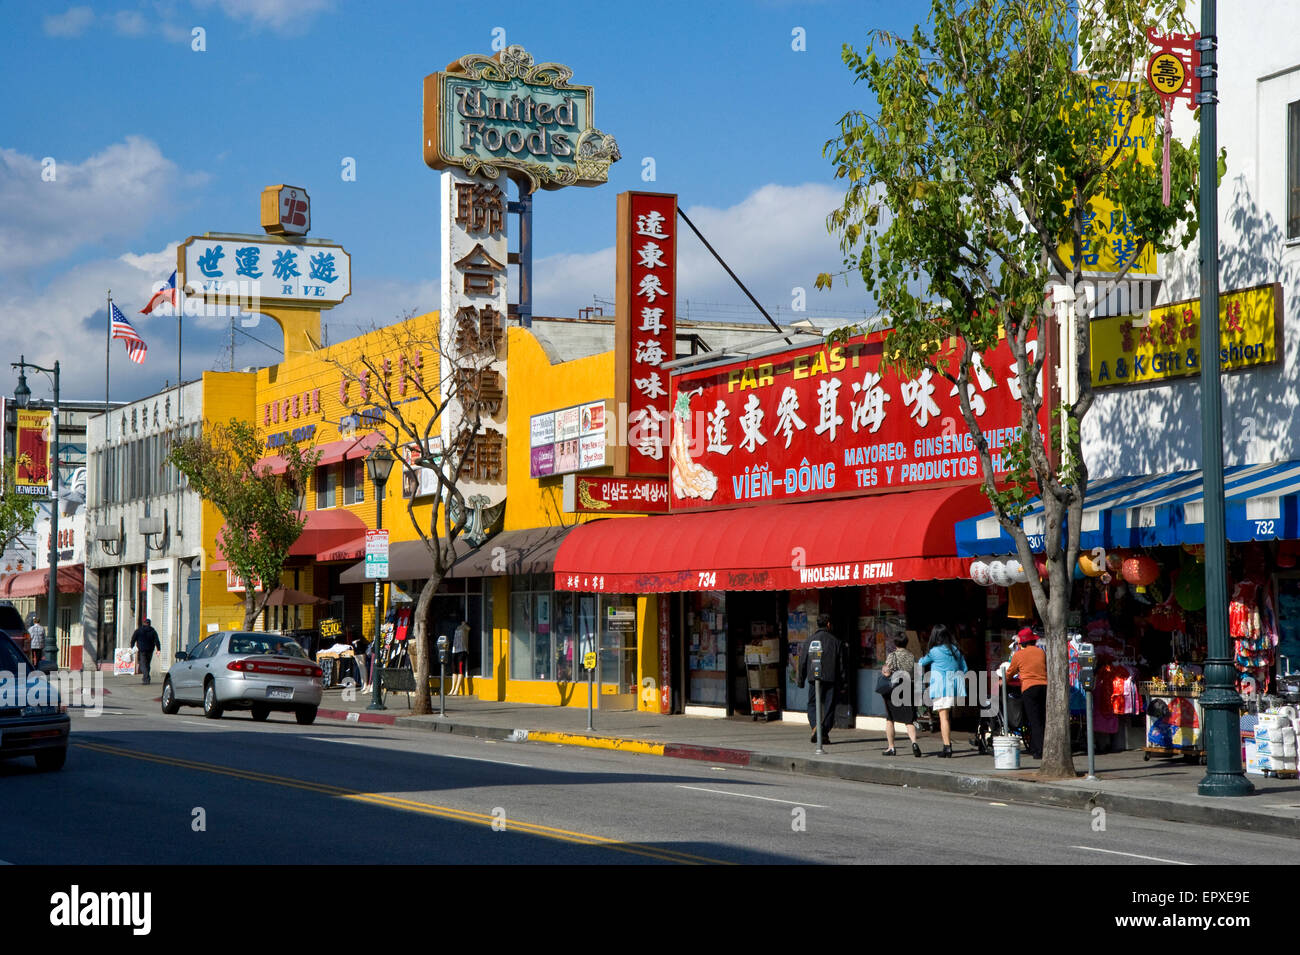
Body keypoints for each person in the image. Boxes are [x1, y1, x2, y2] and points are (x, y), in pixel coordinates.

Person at [918, 623, 968, 757]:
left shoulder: (934, 651)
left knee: (943, 718)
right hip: (954, 687)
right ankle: (947, 745)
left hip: (941, 688)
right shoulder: (956, 649)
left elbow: (921, 663)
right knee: (947, 716)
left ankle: (947, 747)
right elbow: (964, 669)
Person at [796, 615, 842, 745]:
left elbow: (803, 661)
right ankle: (823, 731)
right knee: (829, 705)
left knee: (812, 703)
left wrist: (801, 679)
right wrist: (843, 682)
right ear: (828, 624)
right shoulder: (835, 641)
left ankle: (816, 728)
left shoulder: (810, 640)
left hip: (814, 677)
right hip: (831, 678)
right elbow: (841, 664)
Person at [1006, 626, 1047, 759]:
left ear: (1021, 642)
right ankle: (1039, 747)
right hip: (1044, 686)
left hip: (1029, 688)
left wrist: (1001, 681)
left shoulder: (1018, 655)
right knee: (1042, 718)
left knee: (1034, 720)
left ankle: (1039, 751)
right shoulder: (1041, 652)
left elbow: (1009, 673)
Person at [879, 632, 921, 757]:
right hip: (909, 688)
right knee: (909, 720)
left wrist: (884, 671)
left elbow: (886, 672)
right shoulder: (912, 656)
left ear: (895, 643)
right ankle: (914, 743)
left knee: (890, 718)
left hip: (895, 690)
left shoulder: (892, 656)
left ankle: (891, 747)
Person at [131, 618, 161, 685]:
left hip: (142, 650)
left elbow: (133, 639)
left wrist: (132, 646)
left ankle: (146, 678)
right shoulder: (153, 631)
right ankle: (146, 678)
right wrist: (158, 649)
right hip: (150, 650)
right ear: (149, 624)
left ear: (144, 623)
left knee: (143, 665)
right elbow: (157, 641)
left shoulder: (139, 631)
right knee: (147, 664)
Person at [451, 620, 470, 695]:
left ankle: (457, 689)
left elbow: (468, 629)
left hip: (462, 650)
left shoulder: (466, 627)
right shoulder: (457, 627)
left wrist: (464, 625)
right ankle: (452, 688)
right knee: (454, 670)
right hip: (455, 650)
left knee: (460, 669)